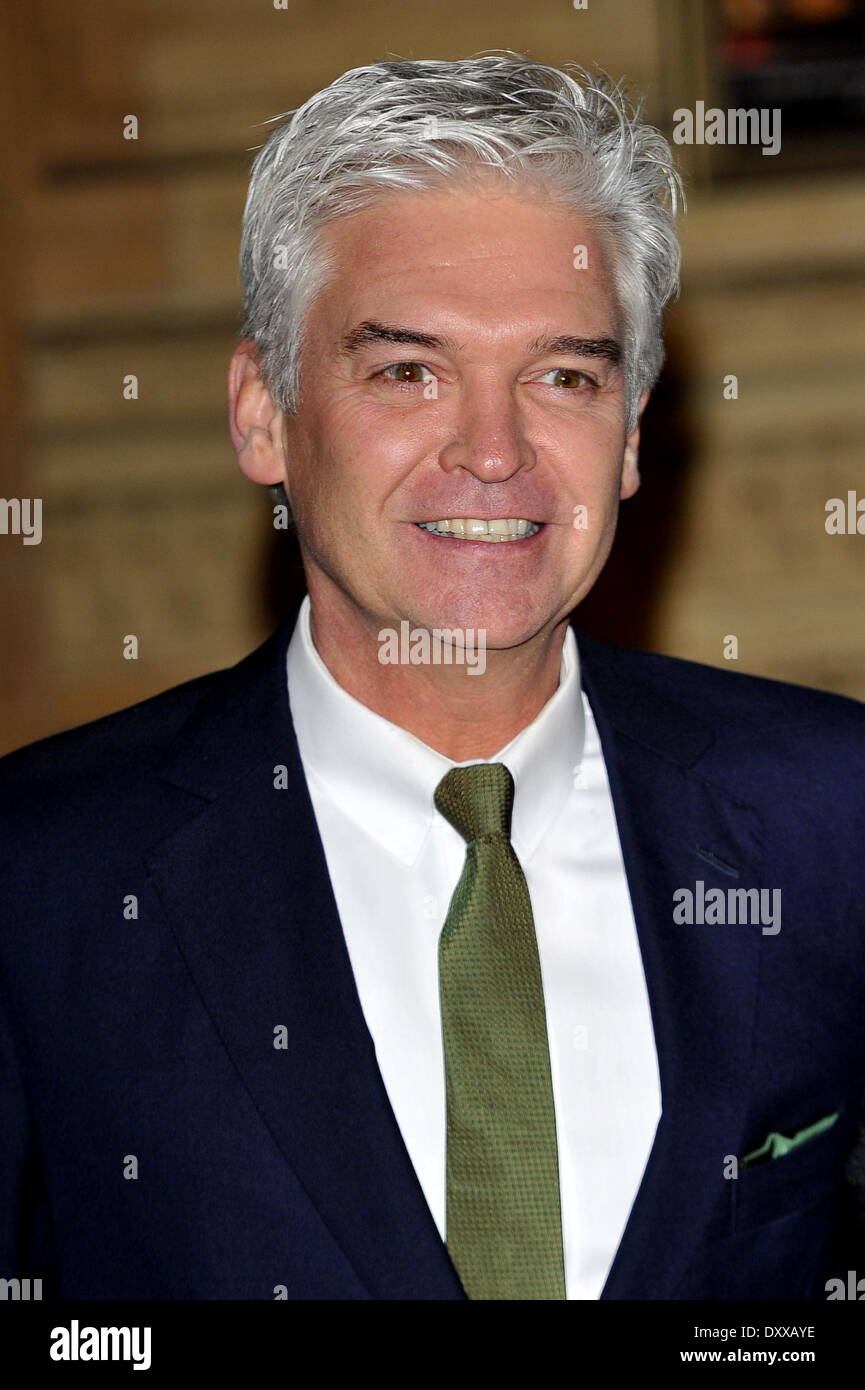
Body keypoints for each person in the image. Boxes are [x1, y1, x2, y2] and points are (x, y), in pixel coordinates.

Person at [1, 53, 863, 1302]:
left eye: (563, 375)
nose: (495, 452)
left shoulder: (830, 820)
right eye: (407, 370)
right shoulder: (41, 886)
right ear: (262, 413)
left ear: (630, 435)